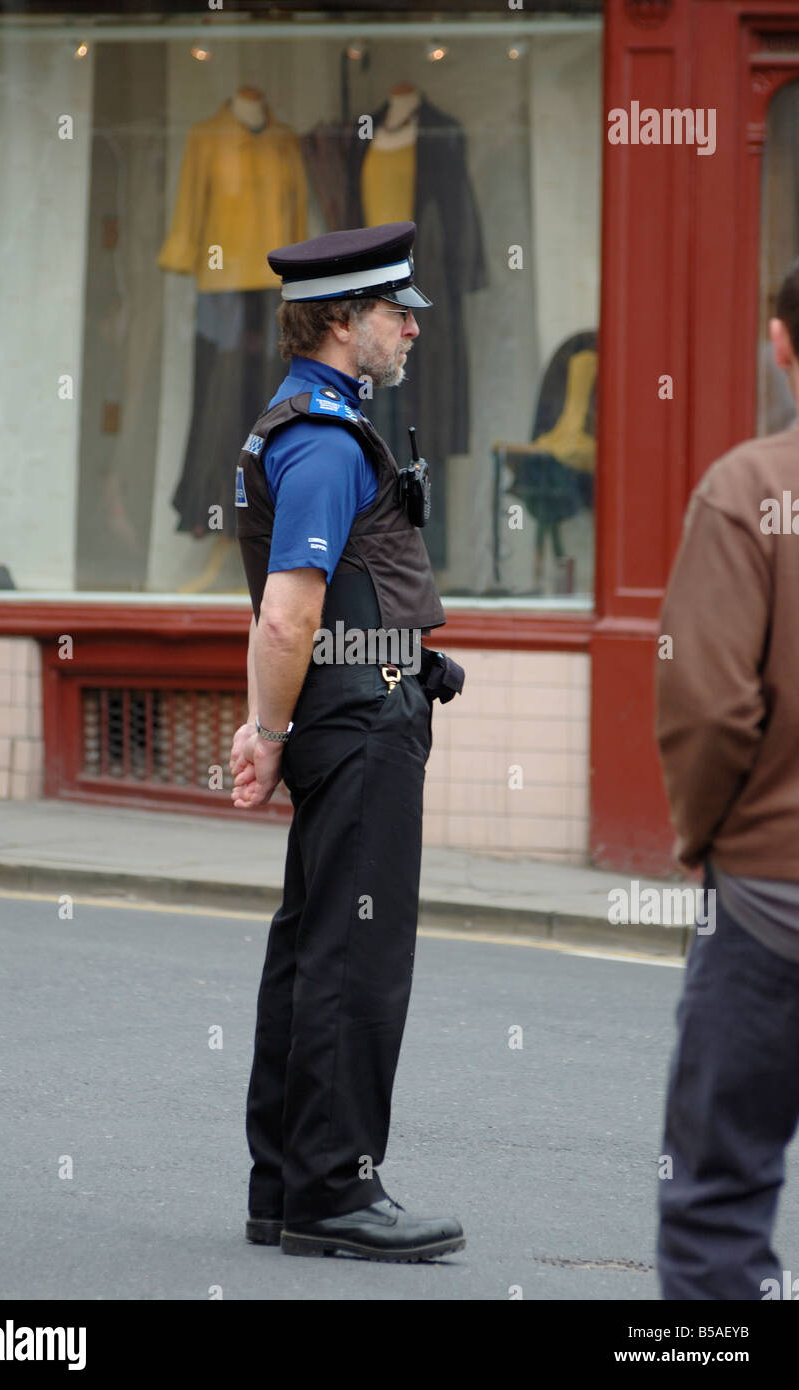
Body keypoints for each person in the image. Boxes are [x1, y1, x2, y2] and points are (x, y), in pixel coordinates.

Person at [228, 221, 466, 1262]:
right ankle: (337, 1189)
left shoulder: (316, 426)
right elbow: (287, 614)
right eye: (393, 311)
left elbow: (337, 602)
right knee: (356, 958)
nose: (412, 327)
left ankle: (284, 1184)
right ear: (339, 321)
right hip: (357, 727)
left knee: (313, 945)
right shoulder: (323, 441)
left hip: (355, 710)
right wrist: (266, 733)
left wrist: (413, 658)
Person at [655, 256, 799, 1299]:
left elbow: (710, 707)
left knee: (719, 1204)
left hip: (769, 899)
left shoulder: (750, 490)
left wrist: (703, 839)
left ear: (781, 343)